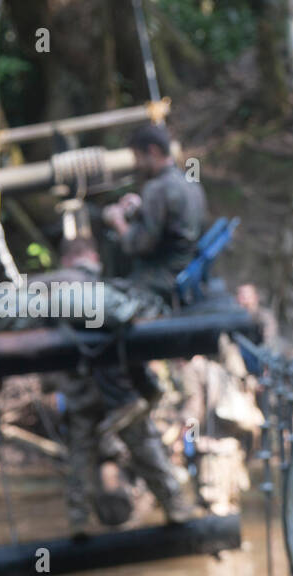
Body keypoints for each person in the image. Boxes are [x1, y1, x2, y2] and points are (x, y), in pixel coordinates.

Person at [48, 237, 197, 536]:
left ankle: (78, 522)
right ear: (93, 257)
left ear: (65, 261)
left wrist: (52, 386)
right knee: (145, 448)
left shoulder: (53, 294)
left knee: (80, 457)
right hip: (121, 392)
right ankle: (176, 508)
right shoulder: (109, 290)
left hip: (82, 391)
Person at [102, 124, 206, 304]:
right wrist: (140, 208)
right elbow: (175, 223)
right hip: (185, 268)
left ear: (153, 151)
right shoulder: (190, 182)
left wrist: (117, 220)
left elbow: (138, 246)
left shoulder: (156, 188)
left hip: (161, 279)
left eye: (138, 157)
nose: (137, 164)